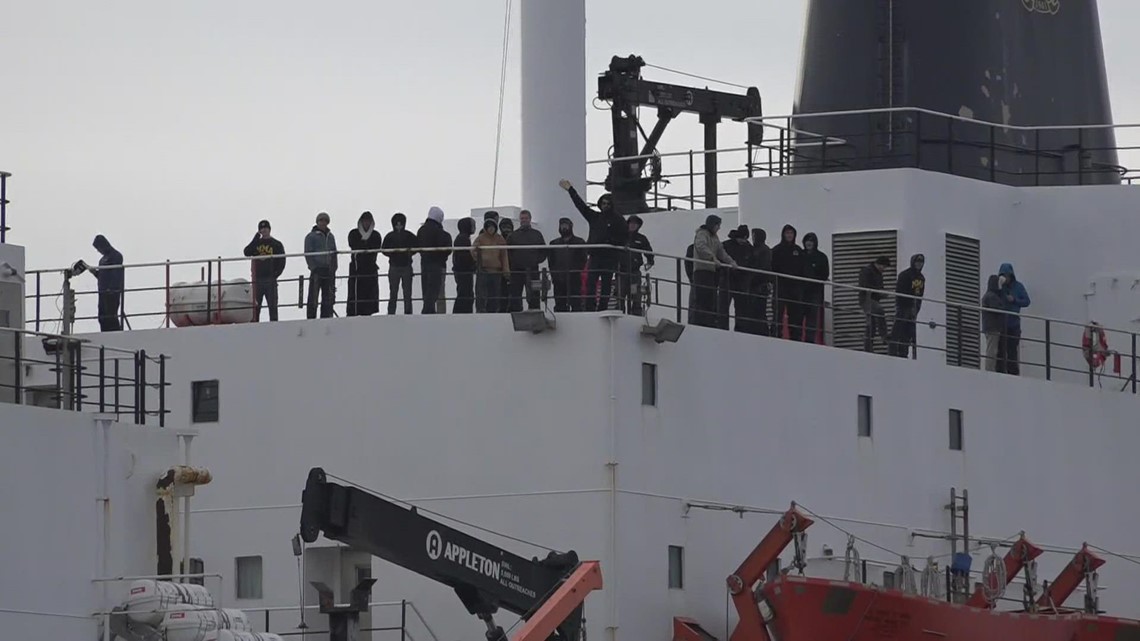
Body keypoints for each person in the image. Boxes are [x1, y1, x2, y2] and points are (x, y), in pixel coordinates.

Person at [560, 179, 627, 311]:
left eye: (607, 203)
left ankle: (602, 308)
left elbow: (624, 238)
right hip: (595, 257)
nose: (605, 205)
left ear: (612, 204)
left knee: (606, 285)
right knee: (591, 283)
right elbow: (581, 206)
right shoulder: (595, 217)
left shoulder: (618, 220)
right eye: (603, 203)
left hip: (609, 258)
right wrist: (571, 190)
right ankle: (590, 307)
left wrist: (610, 242)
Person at [691, 214, 737, 328]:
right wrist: (712, 258)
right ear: (712, 224)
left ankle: (709, 322)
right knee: (702, 298)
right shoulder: (702, 234)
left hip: (711, 271)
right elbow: (701, 247)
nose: (719, 228)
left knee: (710, 298)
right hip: (702, 271)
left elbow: (721, 251)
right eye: (718, 225)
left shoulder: (714, 237)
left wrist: (731, 261)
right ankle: (701, 322)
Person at [243, 220, 286, 322]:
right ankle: (255, 325)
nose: (264, 230)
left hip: (270, 279)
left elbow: (282, 261)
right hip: (257, 279)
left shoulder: (276, 244)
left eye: (266, 228)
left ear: (269, 229)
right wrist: (256, 238)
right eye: (261, 229)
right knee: (256, 307)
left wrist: (276, 274)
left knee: (273, 306)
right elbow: (247, 252)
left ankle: (274, 325)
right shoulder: (256, 244)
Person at [506, 210, 546, 311]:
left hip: (532, 269)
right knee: (516, 295)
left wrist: (535, 260)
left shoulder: (537, 234)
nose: (524, 220)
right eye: (522, 218)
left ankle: (535, 313)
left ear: (530, 219)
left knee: (534, 295)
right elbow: (508, 252)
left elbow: (543, 251)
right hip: (516, 271)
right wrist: (514, 262)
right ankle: (516, 314)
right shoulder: (513, 235)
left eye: (526, 218)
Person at [770, 225, 804, 340]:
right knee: (777, 314)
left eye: (791, 233)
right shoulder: (776, 250)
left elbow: (803, 269)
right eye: (787, 233)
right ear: (783, 234)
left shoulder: (798, 251)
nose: (789, 235)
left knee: (795, 316)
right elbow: (771, 267)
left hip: (795, 288)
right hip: (780, 286)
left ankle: (796, 339)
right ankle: (775, 337)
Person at [346, 211, 383, 317]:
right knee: (355, 292)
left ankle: (368, 311)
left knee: (369, 292)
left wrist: (363, 245)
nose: (366, 223)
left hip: (370, 268)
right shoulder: (353, 233)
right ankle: (353, 311)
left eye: (368, 221)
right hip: (357, 268)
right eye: (365, 221)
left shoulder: (376, 235)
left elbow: (375, 246)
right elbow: (354, 245)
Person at [889, 254, 926, 357]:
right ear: (913, 262)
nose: (919, 264)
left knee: (909, 333)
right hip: (903, 307)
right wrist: (902, 305)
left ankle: (903, 353)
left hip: (913, 309)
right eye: (917, 261)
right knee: (898, 330)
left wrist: (917, 308)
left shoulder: (921, 278)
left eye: (921, 262)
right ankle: (893, 352)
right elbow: (899, 292)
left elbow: (920, 295)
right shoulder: (904, 275)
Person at [997, 262, 1031, 376]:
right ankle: (1000, 371)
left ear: (1010, 275)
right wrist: (999, 288)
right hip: (1002, 323)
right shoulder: (1000, 287)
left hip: (1014, 324)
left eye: (1006, 275)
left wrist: (1014, 300)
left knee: (1012, 350)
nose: (1004, 278)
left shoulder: (1018, 287)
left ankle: (1013, 373)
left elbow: (1027, 301)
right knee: (1000, 349)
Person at [417, 206, 452, 314]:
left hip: (424, 263)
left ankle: (427, 309)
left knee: (426, 288)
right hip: (438, 264)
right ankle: (439, 312)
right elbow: (447, 248)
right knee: (438, 290)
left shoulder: (421, 231)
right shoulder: (442, 233)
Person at [382, 213, 418, 315]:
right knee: (394, 292)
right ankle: (392, 312)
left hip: (403, 266)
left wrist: (408, 253)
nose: (399, 225)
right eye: (397, 223)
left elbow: (416, 246)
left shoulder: (407, 236)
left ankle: (405, 311)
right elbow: (384, 249)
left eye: (400, 223)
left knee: (406, 292)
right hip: (396, 266)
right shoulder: (392, 236)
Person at [548, 217, 586, 312]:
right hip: (558, 279)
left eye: (566, 225)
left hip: (574, 278)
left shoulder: (579, 242)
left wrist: (576, 270)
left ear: (571, 227)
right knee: (560, 303)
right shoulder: (553, 244)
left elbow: (583, 259)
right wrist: (554, 274)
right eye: (562, 225)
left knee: (576, 303)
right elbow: (551, 261)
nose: (564, 228)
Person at [304, 212, 338, 319]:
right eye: (321, 220)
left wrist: (334, 268)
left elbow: (334, 253)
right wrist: (313, 267)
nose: (323, 223)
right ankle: (311, 317)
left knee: (328, 296)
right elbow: (308, 253)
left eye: (325, 221)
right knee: (313, 296)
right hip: (317, 270)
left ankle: (326, 317)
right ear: (317, 222)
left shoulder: (331, 237)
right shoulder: (311, 236)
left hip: (329, 270)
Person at [472, 218, 509, 313]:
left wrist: (506, 270)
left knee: (495, 294)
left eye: (493, 227)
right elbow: (473, 250)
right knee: (481, 294)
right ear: (486, 228)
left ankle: (493, 311)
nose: (491, 229)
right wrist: (479, 259)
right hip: (483, 270)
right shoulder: (480, 238)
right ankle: (481, 311)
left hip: (496, 271)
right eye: (489, 227)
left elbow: (504, 255)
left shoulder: (500, 239)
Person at [721, 225, 753, 331]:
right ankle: (723, 328)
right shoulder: (726, 245)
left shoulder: (747, 248)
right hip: (728, 279)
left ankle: (739, 330)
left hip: (740, 281)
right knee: (723, 306)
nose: (743, 240)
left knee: (741, 309)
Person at [800, 232, 830, 344]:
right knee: (798, 316)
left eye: (811, 241)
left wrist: (812, 277)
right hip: (800, 292)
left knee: (812, 318)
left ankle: (809, 341)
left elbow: (825, 274)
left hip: (815, 292)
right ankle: (797, 339)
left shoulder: (821, 257)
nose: (809, 243)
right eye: (807, 240)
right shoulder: (800, 254)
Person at [857, 256, 892, 352]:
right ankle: (884, 335)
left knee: (871, 325)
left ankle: (868, 348)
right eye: (884, 267)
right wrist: (879, 292)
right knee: (879, 310)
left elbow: (880, 288)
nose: (884, 269)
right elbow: (864, 285)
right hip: (866, 299)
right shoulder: (866, 271)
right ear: (879, 264)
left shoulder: (879, 274)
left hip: (874, 299)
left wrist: (883, 294)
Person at [90, 235, 124, 332]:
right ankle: (104, 333)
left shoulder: (116, 256)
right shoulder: (102, 260)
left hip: (112, 293)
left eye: (98, 248)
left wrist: (112, 289)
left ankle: (116, 334)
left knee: (111, 317)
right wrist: (94, 272)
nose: (98, 250)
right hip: (102, 292)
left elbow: (117, 274)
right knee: (102, 317)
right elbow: (102, 276)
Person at [621, 215, 654, 315]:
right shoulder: (620, 237)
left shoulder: (641, 238)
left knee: (634, 293)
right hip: (621, 271)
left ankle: (636, 312)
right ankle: (620, 312)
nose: (633, 225)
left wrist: (650, 261)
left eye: (635, 224)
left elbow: (648, 250)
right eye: (631, 223)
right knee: (620, 294)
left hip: (634, 272)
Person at [742, 228, 772, 336]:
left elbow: (763, 268)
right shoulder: (755, 249)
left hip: (759, 286)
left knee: (759, 312)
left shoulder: (764, 250)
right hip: (753, 286)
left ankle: (761, 333)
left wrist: (751, 278)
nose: (753, 238)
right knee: (752, 312)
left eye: (754, 235)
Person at [452, 217, 477, 314]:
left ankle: (461, 312)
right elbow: (464, 257)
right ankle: (463, 313)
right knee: (466, 293)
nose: (474, 228)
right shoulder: (463, 239)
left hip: (461, 270)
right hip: (464, 271)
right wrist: (473, 263)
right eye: (473, 225)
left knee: (464, 293)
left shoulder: (462, 238)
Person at [981, 274, 1004, 372]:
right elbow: (996, 309)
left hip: (989, 326)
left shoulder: (988, 295)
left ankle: (991, 368)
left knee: (992, 348)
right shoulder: (991, 296)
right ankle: (990, 368)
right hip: (993, 326)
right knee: (992, 349)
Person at [496, 218, 516, 312]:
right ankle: (502, 310)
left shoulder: (516, 238)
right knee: (502, 293)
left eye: (508, 227)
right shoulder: (497, 239)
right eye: (504, 227)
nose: (506, 229)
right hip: (500, 270)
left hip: (515, 268)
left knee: (515, 293)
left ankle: (514, 309)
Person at [684, 243, 696, 323]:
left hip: (711, 280)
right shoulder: (692, 248)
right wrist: (692, 278)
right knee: (694, 303)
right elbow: (688, 264)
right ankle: (692, 322)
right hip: (696, 279)